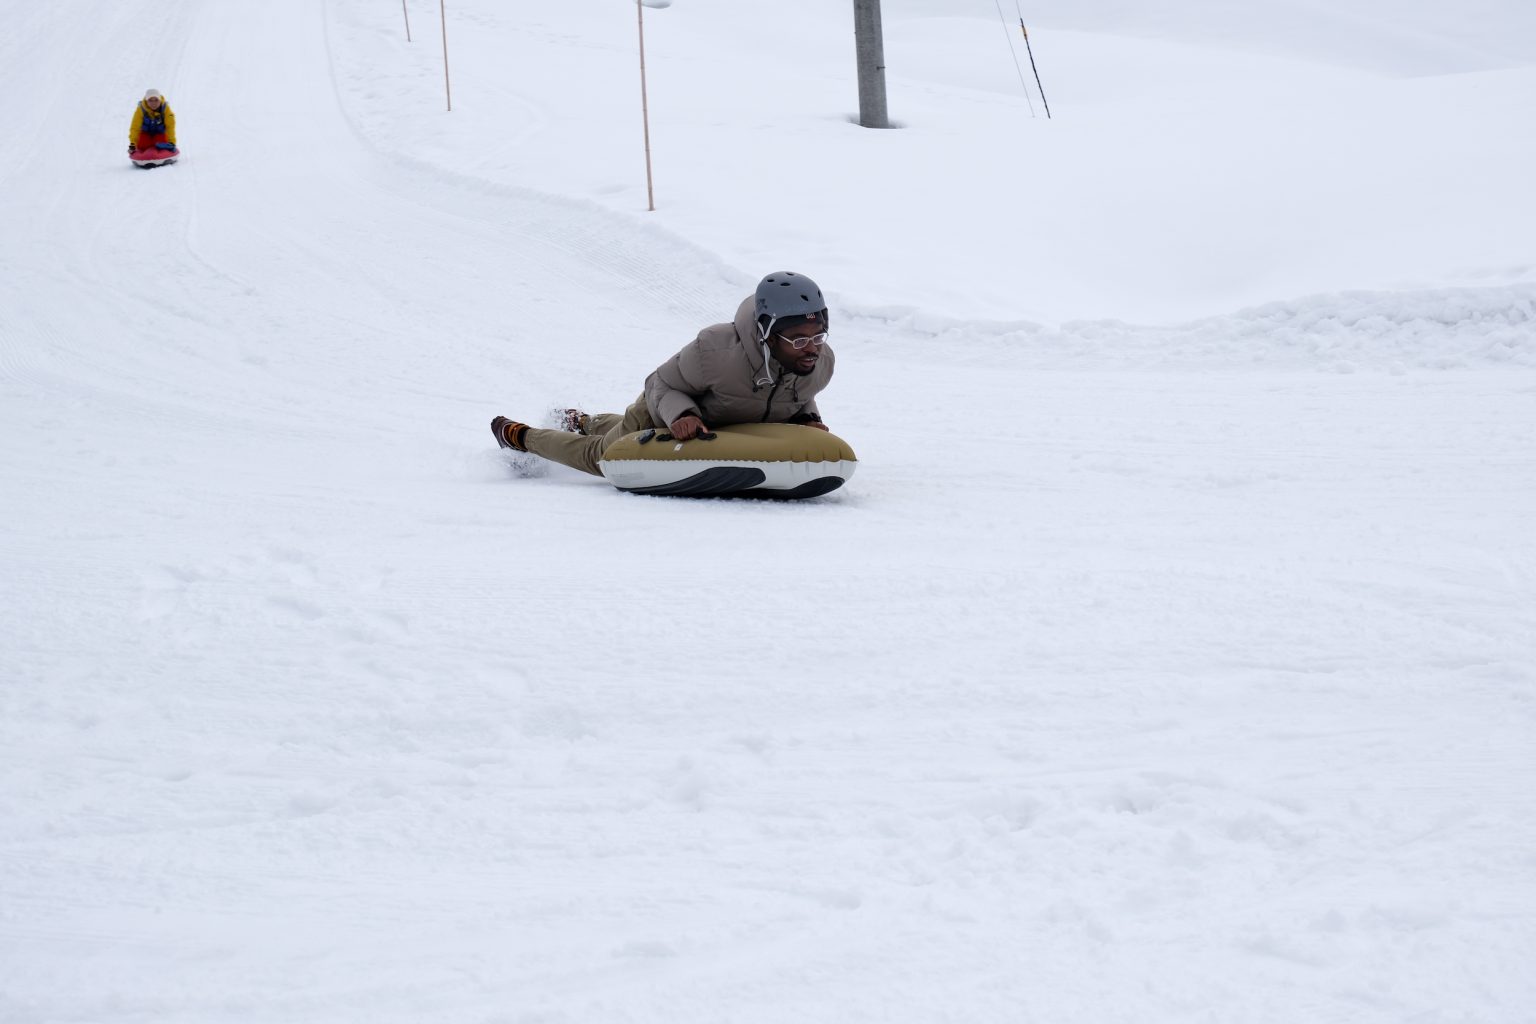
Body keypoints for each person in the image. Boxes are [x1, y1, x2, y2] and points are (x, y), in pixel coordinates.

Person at [491, 271, 835, 476]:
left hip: (717, 420)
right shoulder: (716, 350)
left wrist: (808, 418)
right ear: (767, 336)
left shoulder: (820, 362)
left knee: (609, 431)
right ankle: (520, 436)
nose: (812, 349)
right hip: (657, 412)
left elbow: (797, 391)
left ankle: (580, 420)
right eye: (799, 340)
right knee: (600, 457)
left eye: (818, 336)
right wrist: (682, 415)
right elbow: (661, 383)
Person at [128, 89, 177, 155]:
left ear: (160, 100)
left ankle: (157, 149)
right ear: (146, 101)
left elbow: (170, 126)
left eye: (156, 100)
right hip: (146, 133)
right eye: (150, 100)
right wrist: (132, 144)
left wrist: (171, 142)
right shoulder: (141, 109)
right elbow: (135, 127)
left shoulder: (165, 109)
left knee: (161, 144)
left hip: (159, 133)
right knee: (142, 144)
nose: (153, 103)